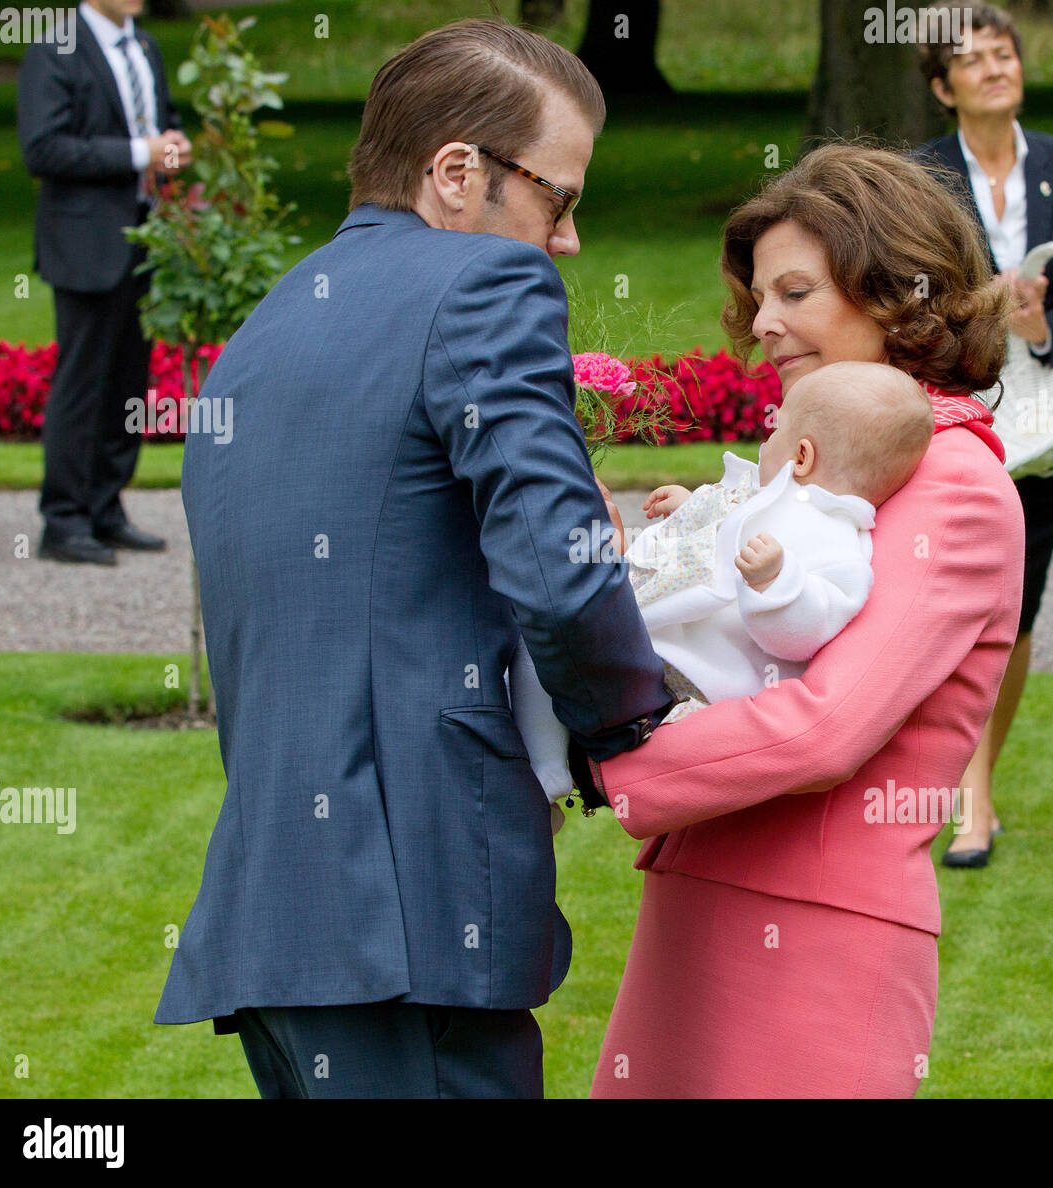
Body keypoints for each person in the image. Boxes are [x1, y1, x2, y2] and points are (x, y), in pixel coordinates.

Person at [153, 19, 674, 1099]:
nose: (566, 239)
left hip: (280, 915)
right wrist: (636, 725)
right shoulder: (484, 286)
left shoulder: (256, 337)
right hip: (416, 905)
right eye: (557, 198)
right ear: (455, 173)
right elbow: (557, 561)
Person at [575, 144, 1024, 1099]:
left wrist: (606, 762)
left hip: (822, 926)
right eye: (759, 298)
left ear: (898, 293)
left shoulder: (954, 483)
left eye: (793, 293)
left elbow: (827, 726)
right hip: (708, 886)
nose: (763, 324)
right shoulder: (829, 467)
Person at [915, 3, 1053, 867]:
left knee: (1019, 602)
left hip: (1047, 421)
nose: (997, 68)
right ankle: (931, 778)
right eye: (974, 60)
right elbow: (902, 292)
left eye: (1005, 53)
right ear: (943, 86)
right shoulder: (923, 174)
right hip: (956, 413)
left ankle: (977, 793)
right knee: (949, 599)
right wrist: (983, 312)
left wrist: (1044, 328)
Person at [511, 361, 935, 802]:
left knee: (546, 627)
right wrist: (692, 507)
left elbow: (808, 628)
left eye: (775, 434)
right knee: (549, 629)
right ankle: (543, 762)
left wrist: (779, 583)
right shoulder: (773, 496)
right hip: (659, 643)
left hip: (685, 674)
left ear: (803, 456)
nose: (764, 444)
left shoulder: (838, 542)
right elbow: (727, 526)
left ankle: (544, 771)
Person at [17, 0, 190, 565]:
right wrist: (143, 151)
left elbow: (160, 119)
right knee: (82, 382)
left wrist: (175, 145)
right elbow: (43, 148)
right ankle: (63, 521)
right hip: (85, 246)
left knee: (127, 382)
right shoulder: (55, 47)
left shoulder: (145, 46)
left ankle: (106, 506)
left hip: (145, 241)